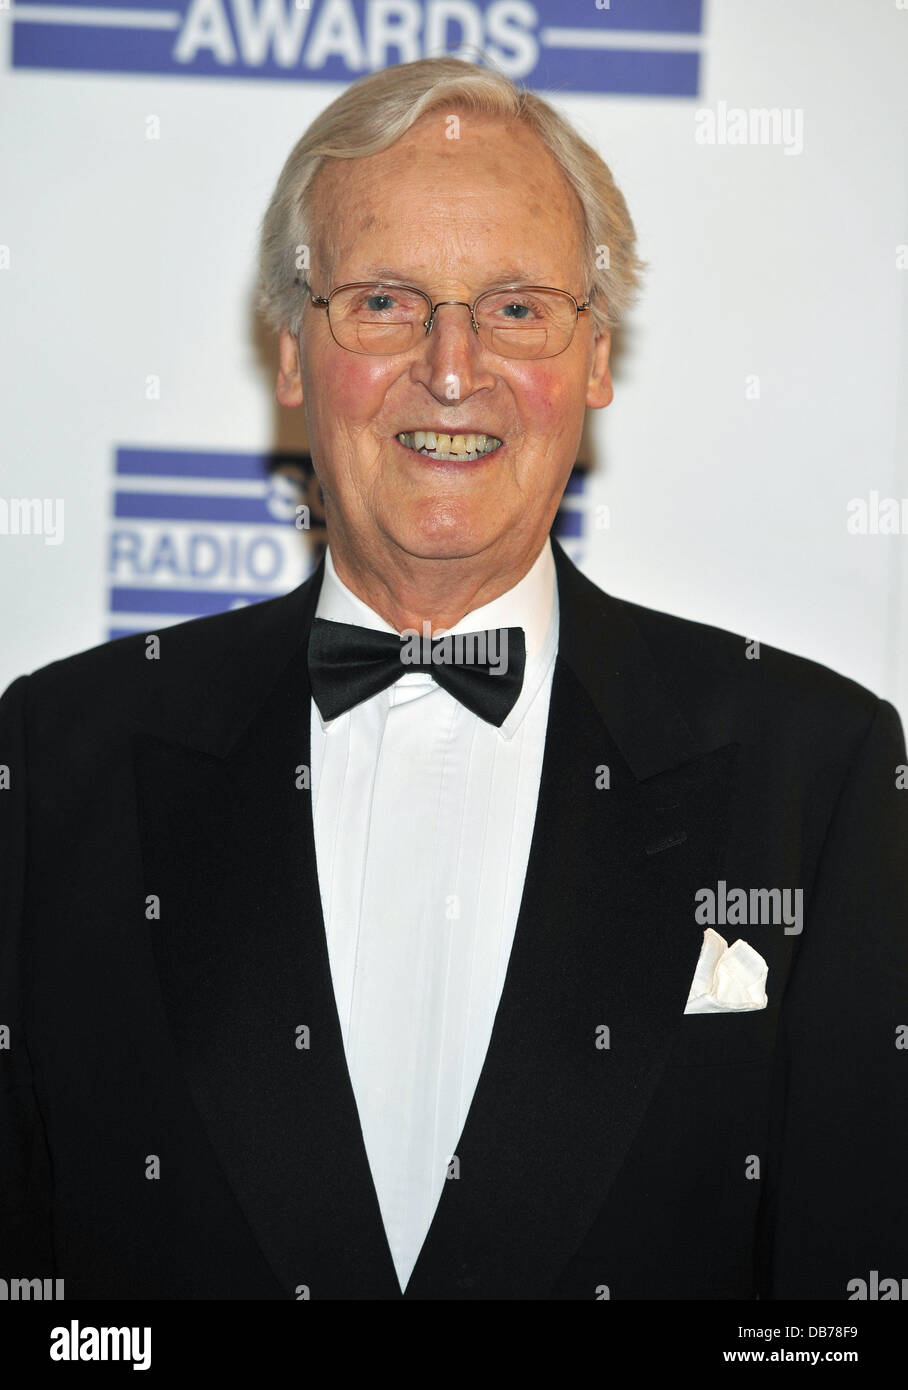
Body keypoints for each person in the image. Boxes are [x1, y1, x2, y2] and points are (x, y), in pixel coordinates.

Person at [1, 56, 905, 1301]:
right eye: (383, 301)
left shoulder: (823, 774)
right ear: (289, 352)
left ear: (594, 359)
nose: (449, 367)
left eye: (517, 308)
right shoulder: (56, 761)